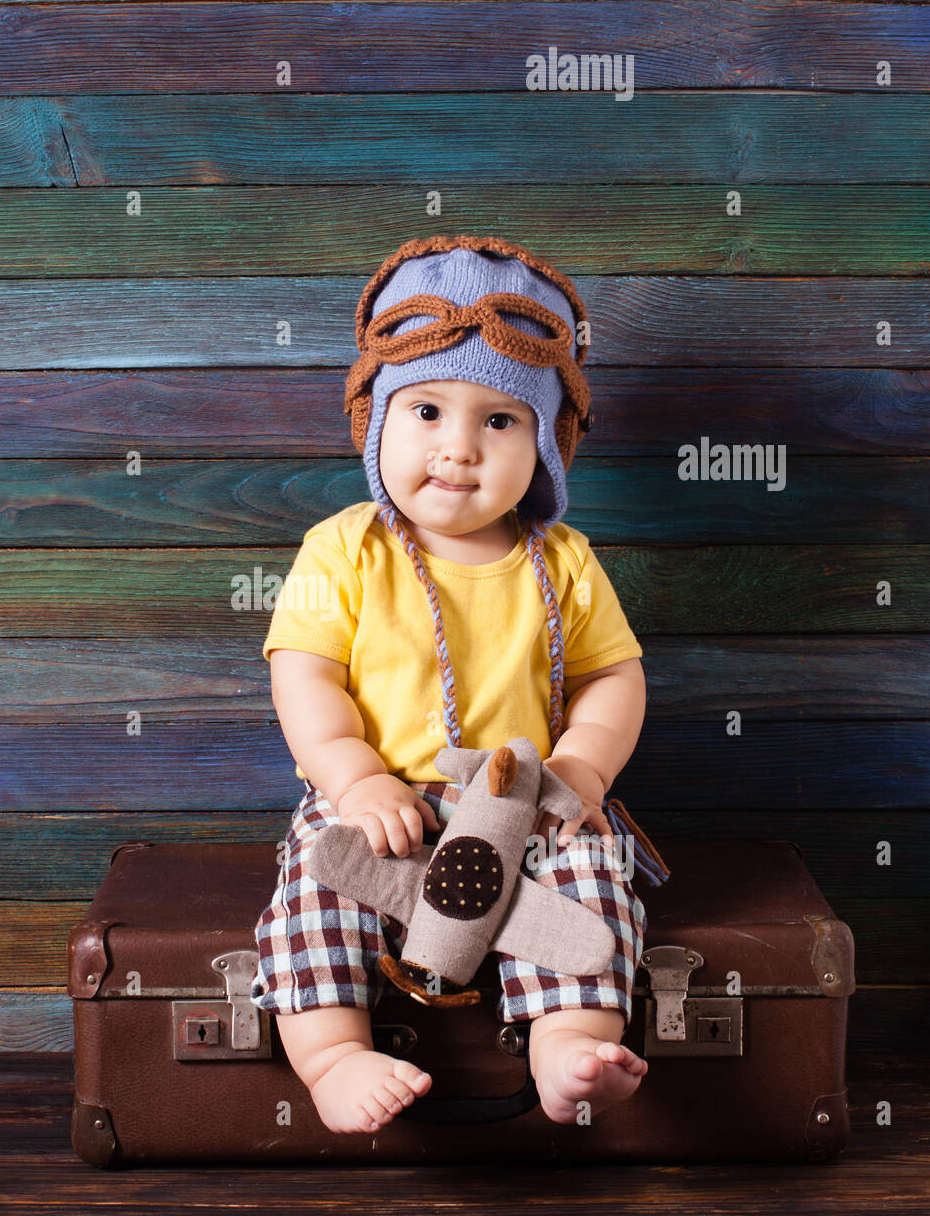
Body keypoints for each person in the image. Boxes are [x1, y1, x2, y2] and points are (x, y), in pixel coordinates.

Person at [247, 235, 671, 1136]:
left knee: (591, 875)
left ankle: (568, 1045)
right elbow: (306, 675)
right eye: (429, 411)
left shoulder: (563, 561)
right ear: (377, 420)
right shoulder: (343, 548)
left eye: (500, 421)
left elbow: (612, 678)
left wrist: (585, 772)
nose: (459, 449)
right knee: (321, 884)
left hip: (524, 802)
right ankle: (332, 1055)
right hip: (386, 803)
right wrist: (356, 779)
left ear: (547, 444)